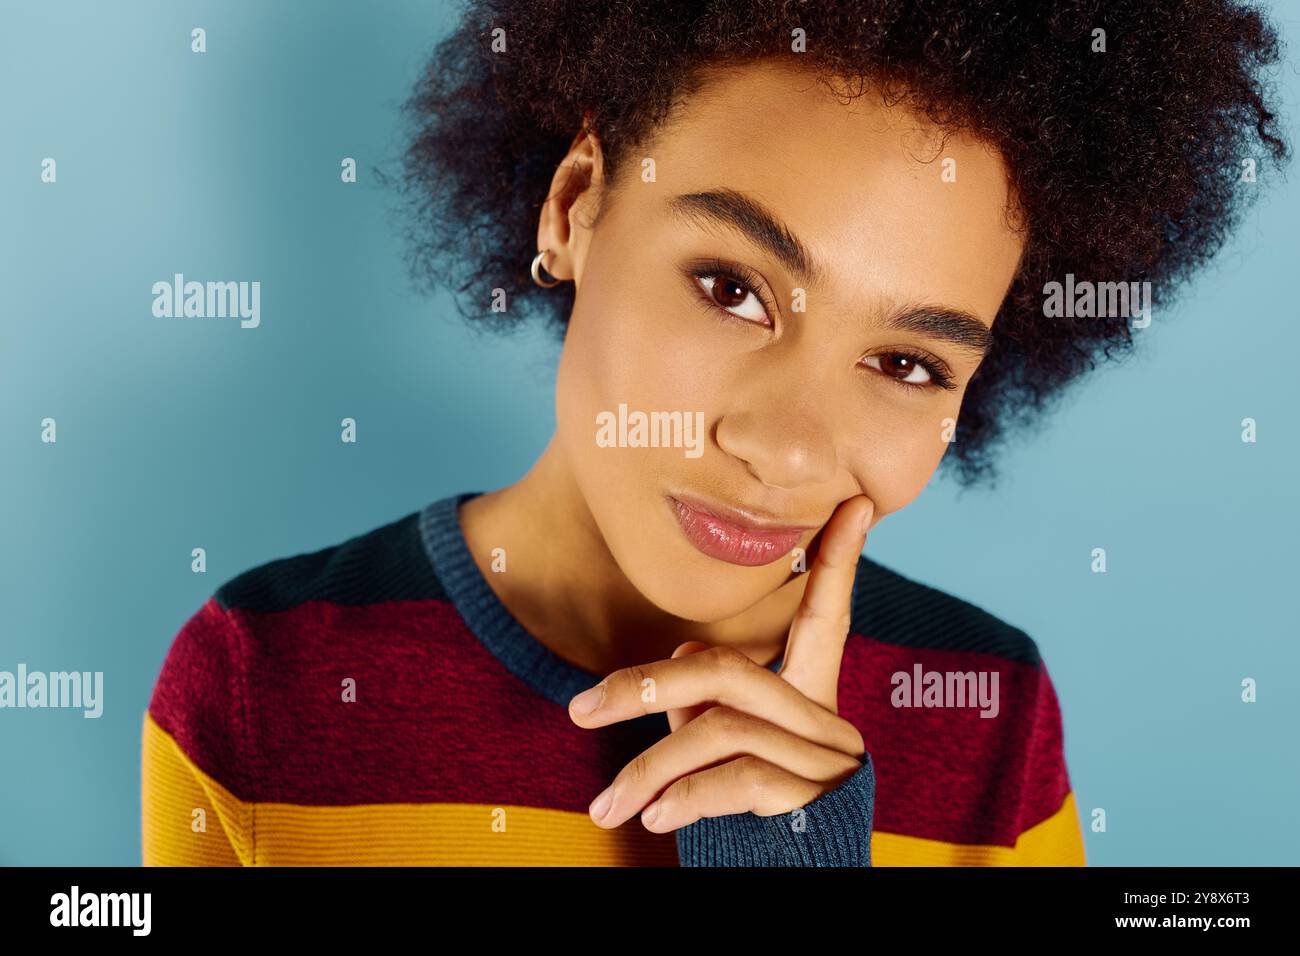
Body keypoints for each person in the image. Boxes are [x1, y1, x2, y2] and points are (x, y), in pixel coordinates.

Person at [142, 0, 1289, 866]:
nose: (786, 449)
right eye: (733, 288)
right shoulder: (266, 677)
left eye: (904, 362)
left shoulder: (984, 709)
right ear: (576, 201)